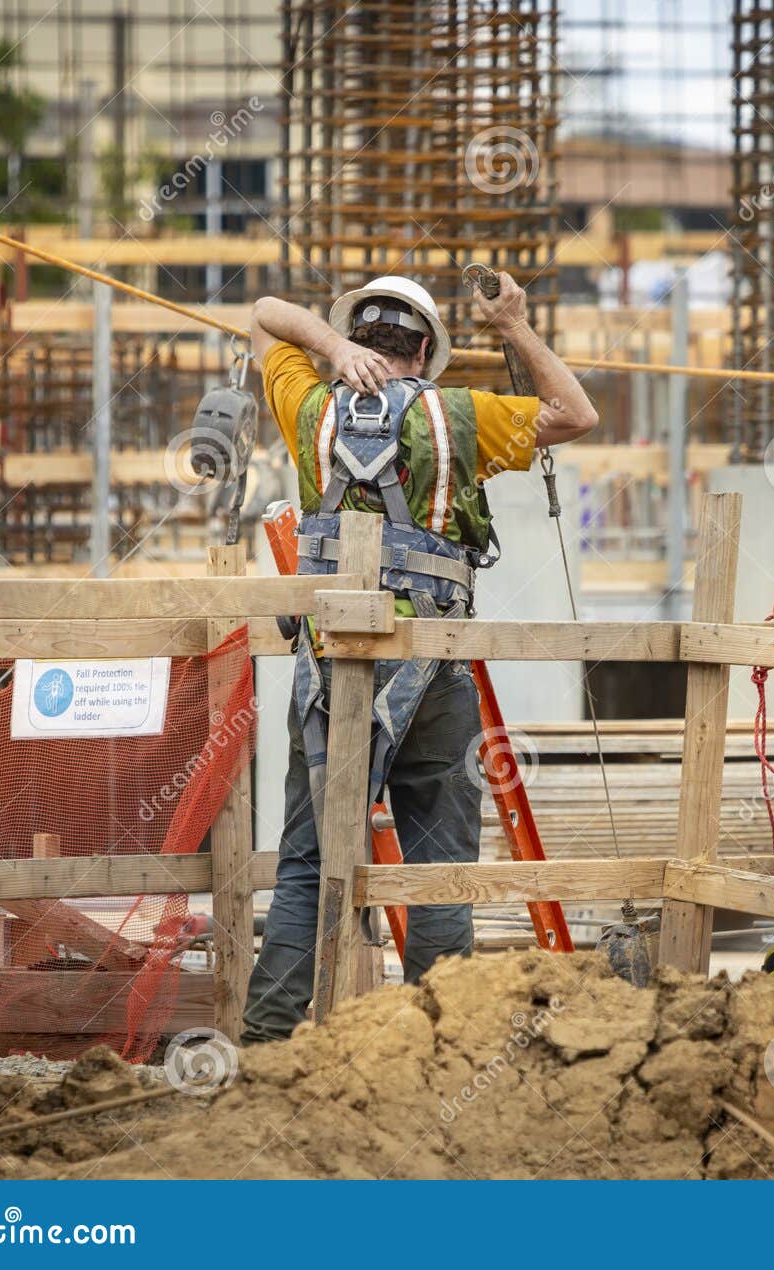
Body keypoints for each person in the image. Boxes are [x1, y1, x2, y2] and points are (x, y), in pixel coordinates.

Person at [239, 271, 597, 1042]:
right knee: (440, 870)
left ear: (356, 341)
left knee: (306, 861)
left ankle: (266, 1043)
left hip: (333, 670)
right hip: (434, 671)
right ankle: (444, 1043)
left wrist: (326, 348)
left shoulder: (310, 409)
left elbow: (265, 317)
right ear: (427, 349)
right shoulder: (458, 418)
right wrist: (514, 328)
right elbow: (578, 413)